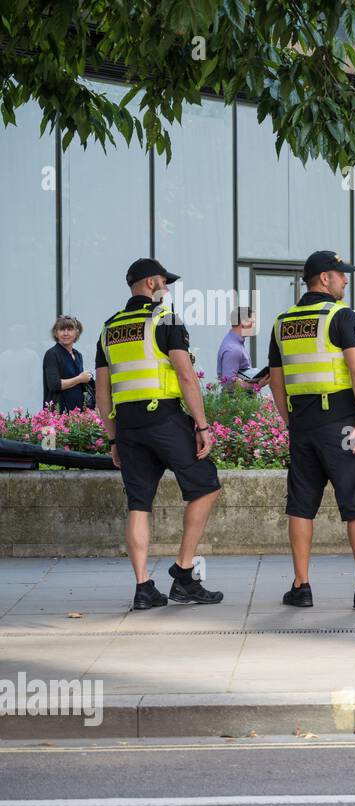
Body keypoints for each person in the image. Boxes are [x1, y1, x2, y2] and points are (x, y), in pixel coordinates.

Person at [267, 250, 355, 610]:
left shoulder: (282, 321)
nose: (346, 279)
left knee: (301, 506)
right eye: (340, 274)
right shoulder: (341, 316)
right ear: (324, 278)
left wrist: (290, 419)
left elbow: (276, 379)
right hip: (341, 421)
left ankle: (301, 586)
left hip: (303, 425)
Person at [94, 258, 224, 610]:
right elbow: (185, 376)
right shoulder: (165, 319)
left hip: (129, 428)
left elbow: (102, 392)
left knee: (139, 503)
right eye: (164, 282)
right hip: (164, 418)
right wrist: (202, 425)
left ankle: (143, 588)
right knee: (206, 485)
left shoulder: (109, 328)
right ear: (151, 283)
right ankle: (183, 572)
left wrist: (113, 438)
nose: (167, 287)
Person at [42, 315, 94, 412]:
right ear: (56, 333)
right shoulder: (52, 354)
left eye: (69, 329)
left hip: (77, 412)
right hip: (58, 413)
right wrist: (79, 379)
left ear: (76, 333)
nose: (66, 333)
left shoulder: (78, 355)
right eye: (62, 330)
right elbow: (54, 384)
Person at [217, 306, 266, 392]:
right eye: (252, 322)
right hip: (236, 403)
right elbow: (229, 382)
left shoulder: (234, 342)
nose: (254, 326)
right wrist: (258, 384)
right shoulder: (233, 348)